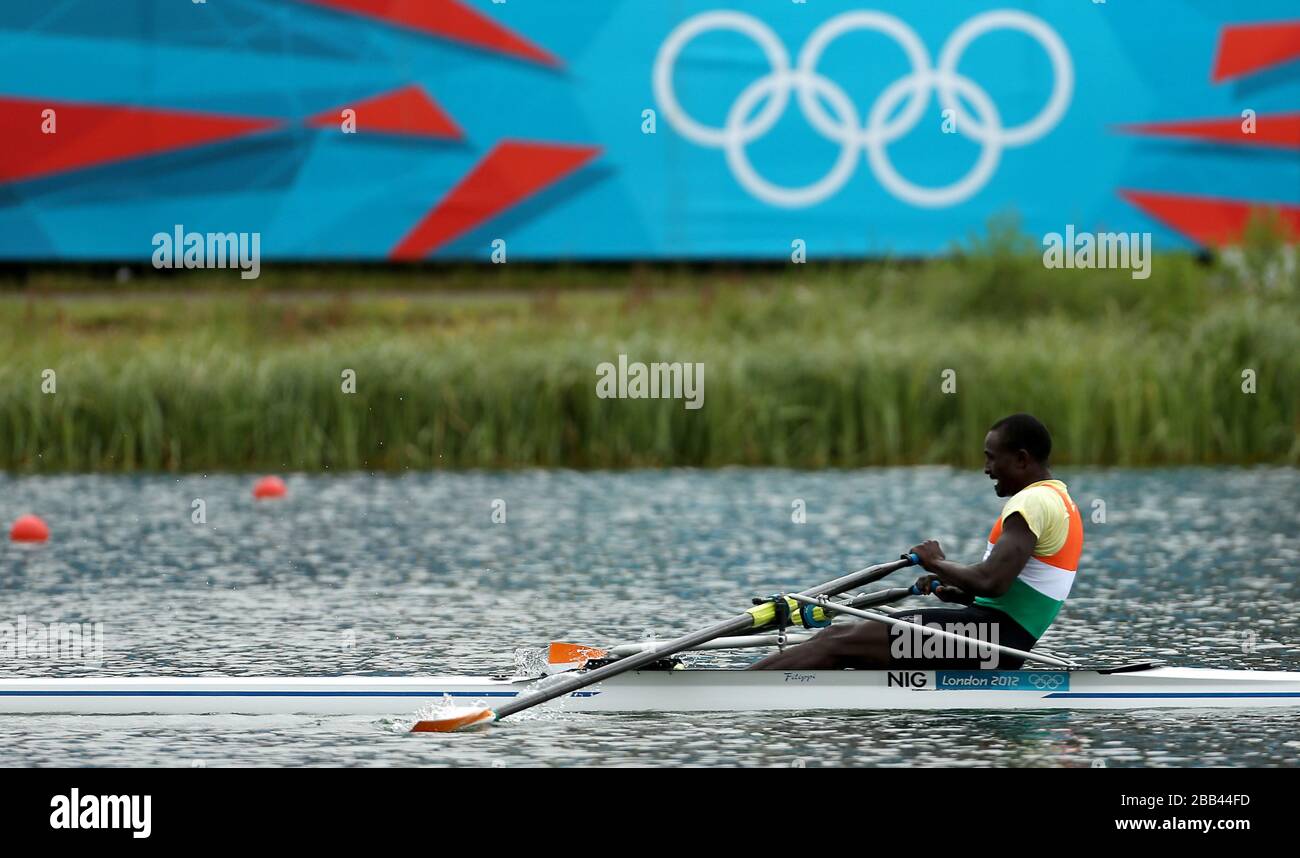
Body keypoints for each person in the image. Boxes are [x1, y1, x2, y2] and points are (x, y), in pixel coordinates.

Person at [751, 413, 1082, 670]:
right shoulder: (1060, 501)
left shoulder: (1033, 502)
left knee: (840, 636)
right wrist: (956, 587)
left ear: (1022, 459)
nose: (986, 469)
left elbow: (992, 582)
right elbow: (1005, 588)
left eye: (992, 458)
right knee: (841, 640)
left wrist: (936, 561)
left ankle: (735, 692)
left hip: (992, 639)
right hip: (993, 635)